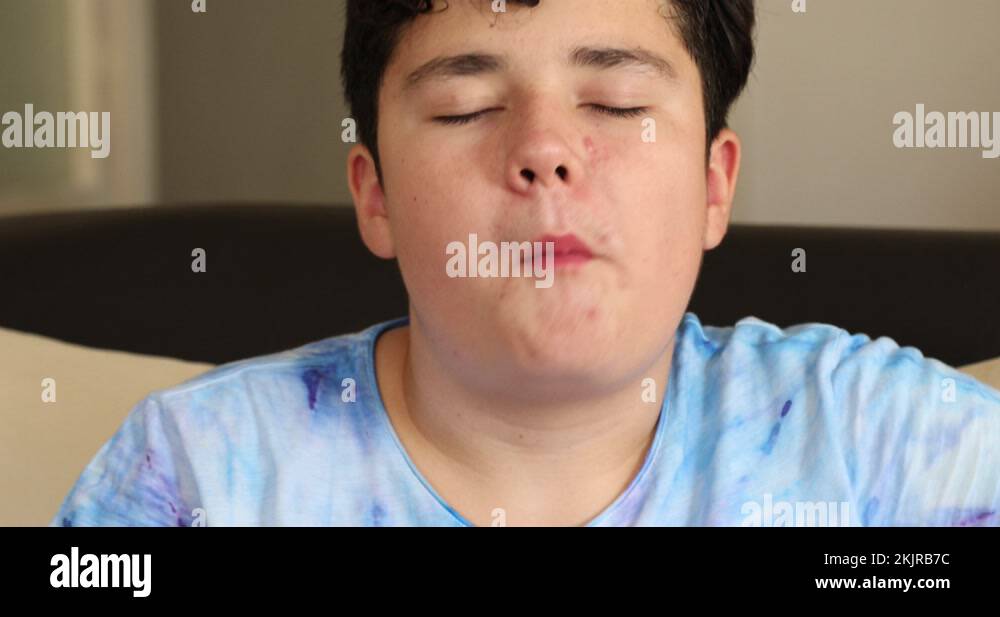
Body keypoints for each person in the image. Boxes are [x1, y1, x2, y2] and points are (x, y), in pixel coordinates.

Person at [52, 0, 999, 527]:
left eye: (618, 102)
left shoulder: (878, 448)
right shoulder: (200, 477)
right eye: (466, 109)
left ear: (716, 186)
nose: (544, 151)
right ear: (373, 192)